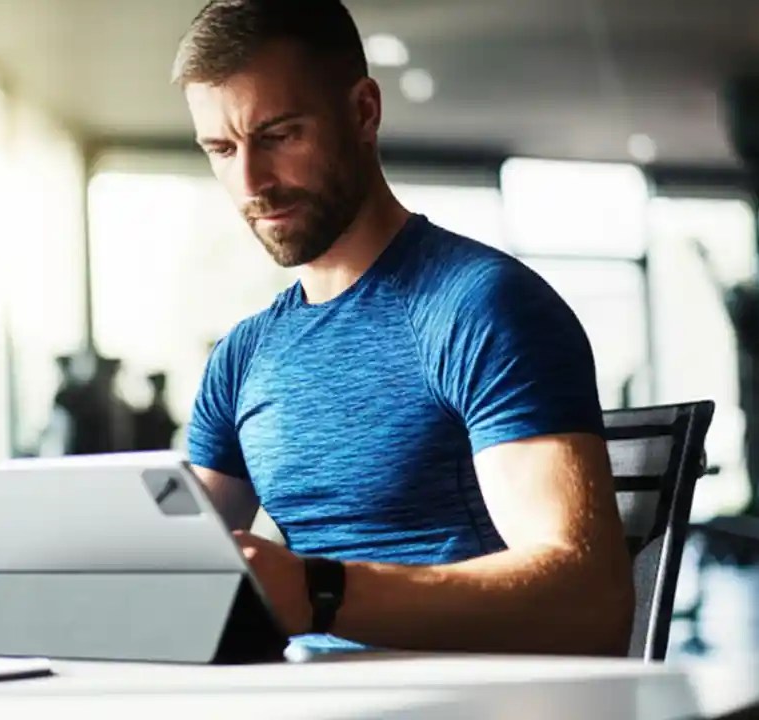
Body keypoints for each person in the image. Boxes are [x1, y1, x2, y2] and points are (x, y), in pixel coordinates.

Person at [174, 0, 634, 656]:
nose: (251, 181)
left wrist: (321, 593)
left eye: (279, 135)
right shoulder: (243, 357)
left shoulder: (481, 309)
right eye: (221, 148)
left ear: (363, 111)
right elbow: (177, 576)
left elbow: (591, 602)